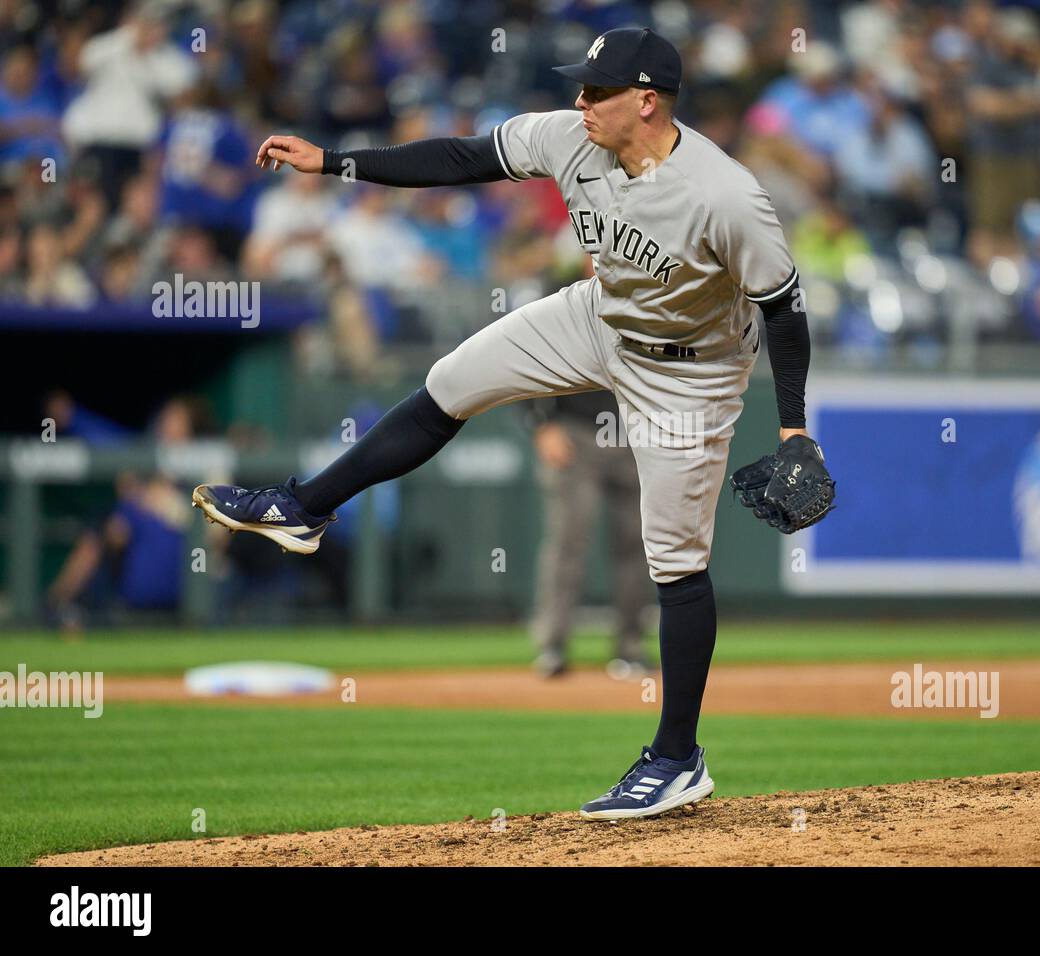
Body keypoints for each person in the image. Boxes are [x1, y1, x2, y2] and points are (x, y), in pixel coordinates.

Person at [191, 27, 817, 821]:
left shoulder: (725, 194)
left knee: (675, 561)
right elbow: (461, 158)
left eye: (597, 91)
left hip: (690, 372)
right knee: (451, 382)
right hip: (602, 318)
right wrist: (338, 162)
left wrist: (793, 428)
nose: (580, 101)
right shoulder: (568, 137)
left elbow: (784, 309)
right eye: (580, 87)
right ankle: (305, 507)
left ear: (648, 100)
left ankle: (676, 758)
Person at [527, 389, 650, 680]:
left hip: (635, 431)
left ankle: (630, 648)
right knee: (568, 542)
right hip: (575, 429)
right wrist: (541, 422)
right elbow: (528, 350)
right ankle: (552, 646)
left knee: (638, 544)